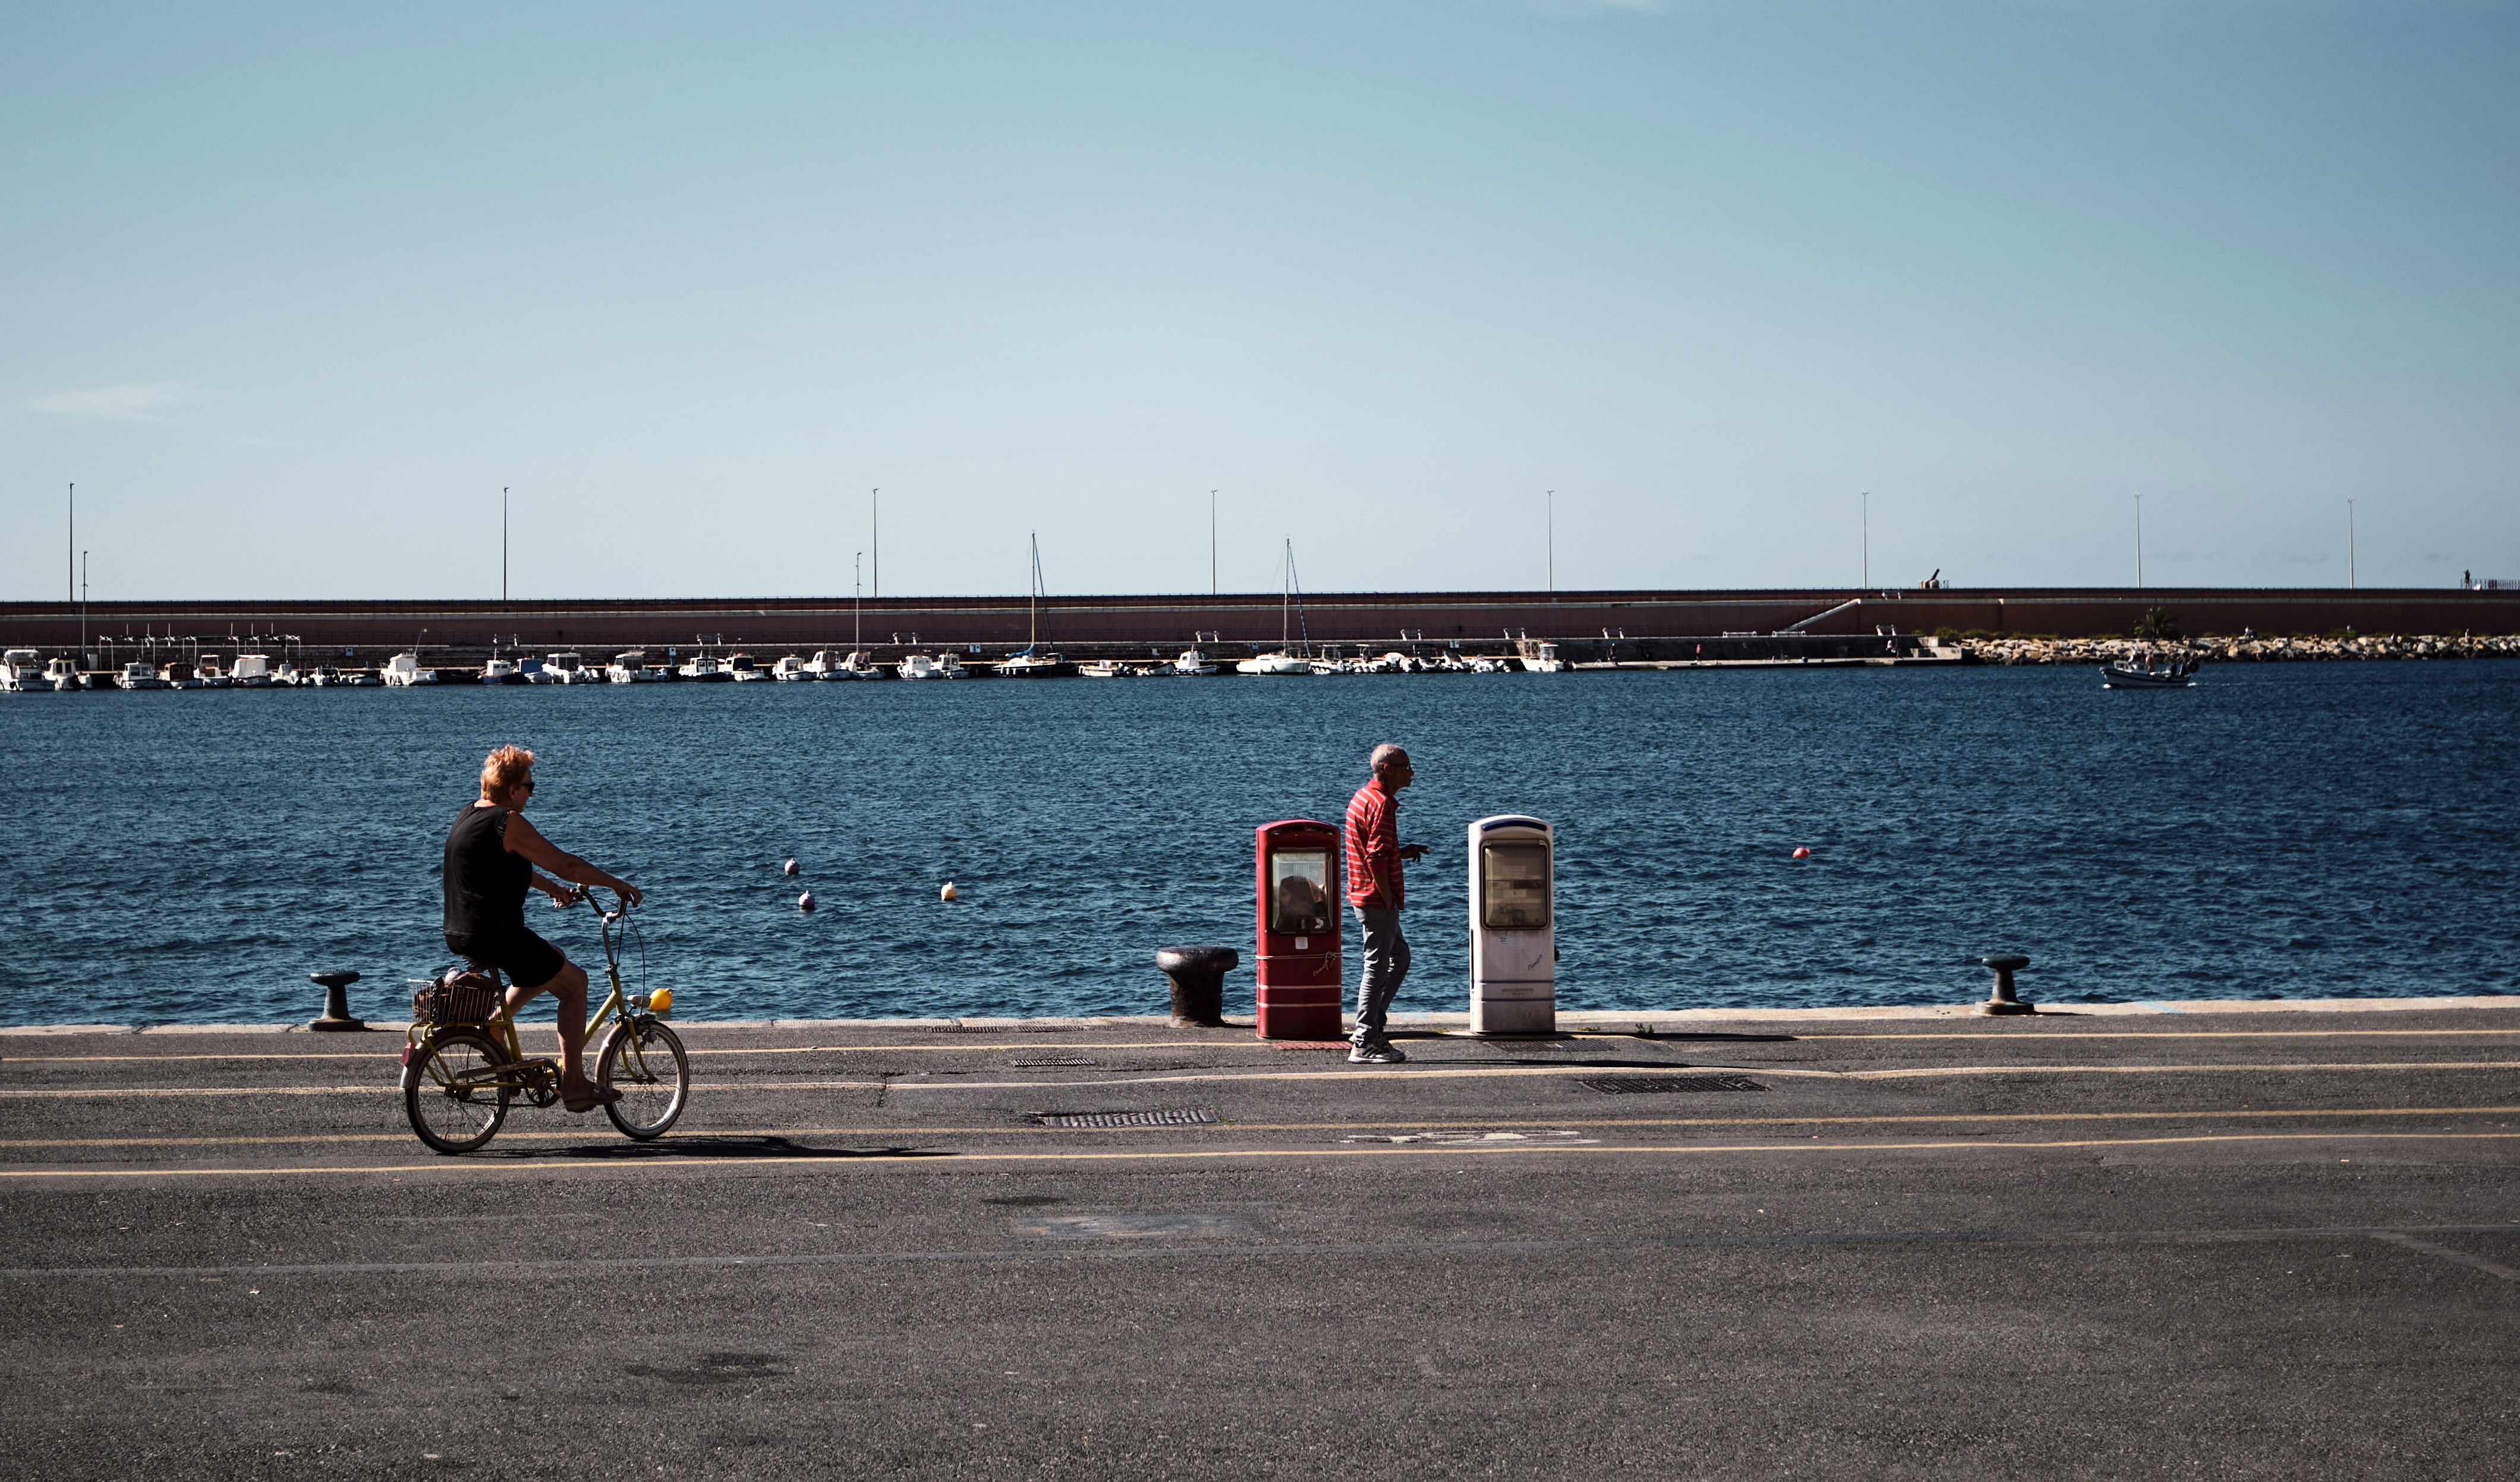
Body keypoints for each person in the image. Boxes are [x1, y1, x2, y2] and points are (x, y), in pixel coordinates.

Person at [443, 745, 644, 1112]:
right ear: (513, 790)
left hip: (461, 931)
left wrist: (554, 890)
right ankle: (575, 1085)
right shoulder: (508, 820)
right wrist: (618, 884)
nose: (532, 793)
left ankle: (494, 1028)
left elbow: (509, 867)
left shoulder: (469, 814)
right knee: (575, 984)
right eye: (530, 787)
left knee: (551, 960)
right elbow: (566, 864)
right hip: (496, 933)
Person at [1343, 743, 1429, 1065]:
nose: (1412, 772)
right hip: (1377, 899)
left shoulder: (1362, 797)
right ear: (1387, 769)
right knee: (1377, 965)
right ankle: (1365, 1039)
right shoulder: (1381, 805)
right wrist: (1389, 897)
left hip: (1364, 894)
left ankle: (1373, 1023)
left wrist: (1402, 852)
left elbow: (1374, 848)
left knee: (1400, 957)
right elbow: (1375, 858)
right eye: (1406, 766)